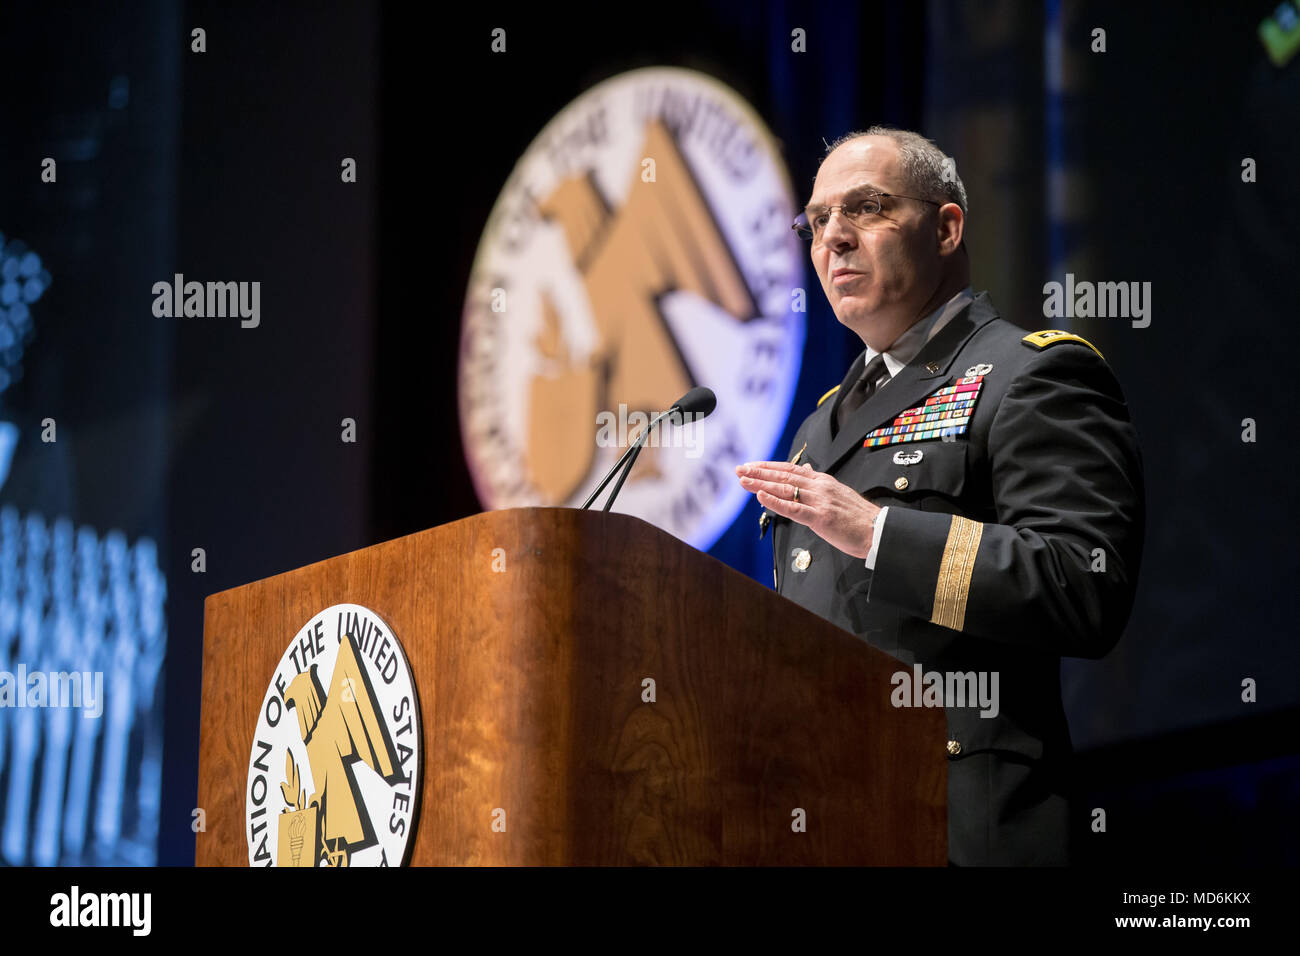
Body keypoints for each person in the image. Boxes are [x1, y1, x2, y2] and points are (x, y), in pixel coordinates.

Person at [735, 127, 1144, 865]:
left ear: (946, 226)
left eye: (865, 207)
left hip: (956, 824)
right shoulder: (815, 429)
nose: (835, 238)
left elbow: (1083, 586)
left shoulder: (1028, 375)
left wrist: (881, 534)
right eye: (818, 220)